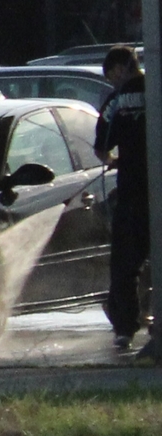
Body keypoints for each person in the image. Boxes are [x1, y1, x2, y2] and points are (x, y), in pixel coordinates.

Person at [94, 44, 149, 347]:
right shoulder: (155, 89)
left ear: (119, 68)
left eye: (112, 75)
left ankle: (126, 328)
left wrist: (113, 160)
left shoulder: (116, 101)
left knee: (126, 264)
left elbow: (102, 145)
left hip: (132, 192)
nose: (113, 81)